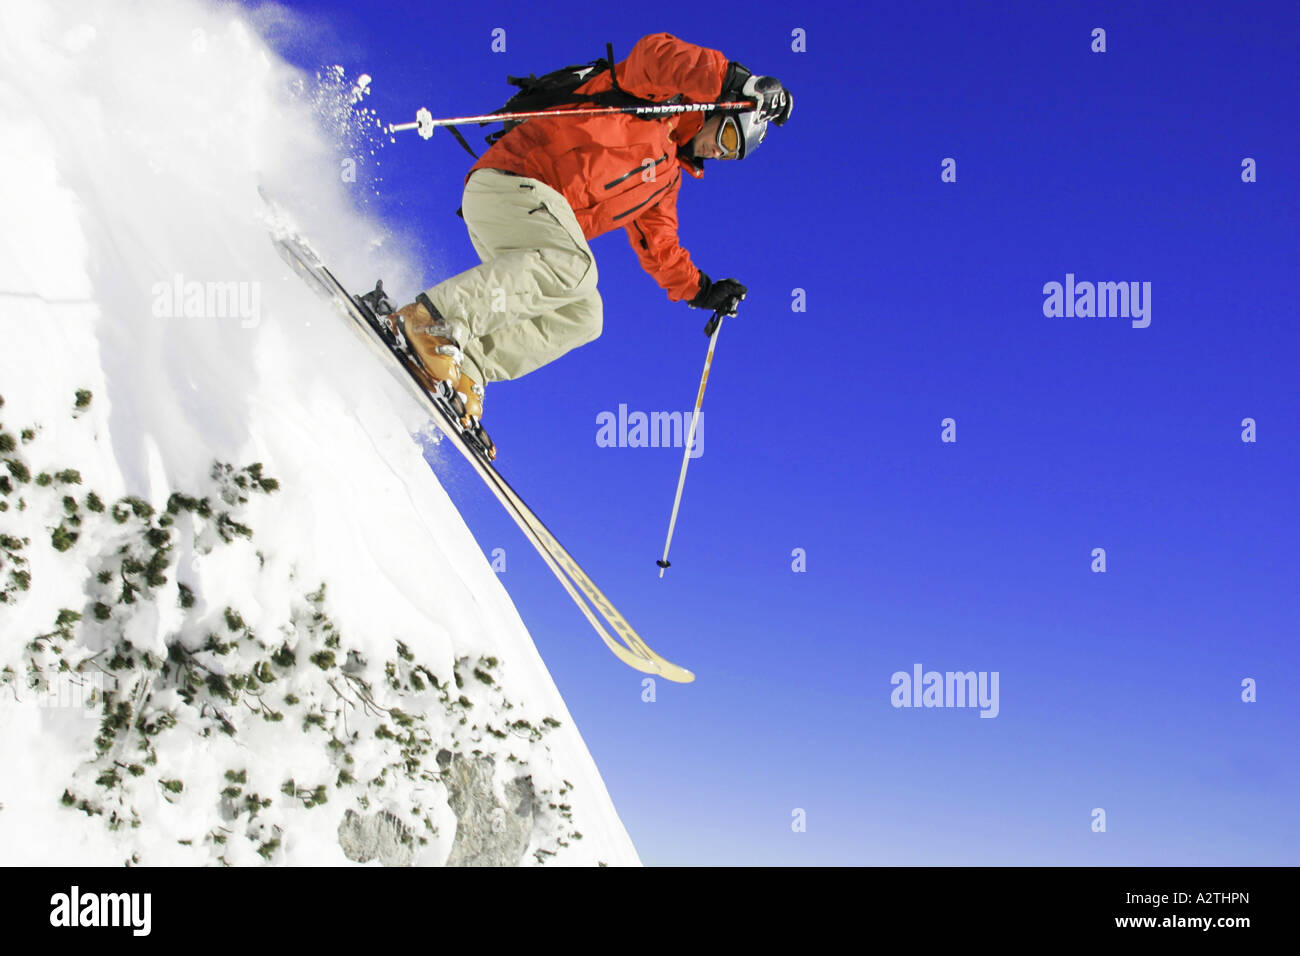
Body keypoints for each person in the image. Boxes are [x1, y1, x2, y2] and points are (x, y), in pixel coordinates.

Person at [385, 32, 792, 445]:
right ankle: (428, 321)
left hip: (532, 235)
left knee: (585, 313)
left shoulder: (665, 182)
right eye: (726, 139)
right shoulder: (648, 100)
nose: (720, 153)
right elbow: (655, 53)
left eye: (731, 155)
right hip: (510, 183)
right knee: (578, 267)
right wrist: (734, 79)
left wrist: (703, 290)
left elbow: (661, 247)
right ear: (719, 112)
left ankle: (468, 364)